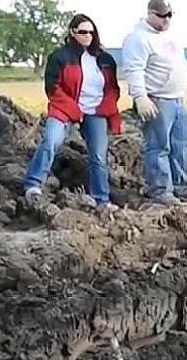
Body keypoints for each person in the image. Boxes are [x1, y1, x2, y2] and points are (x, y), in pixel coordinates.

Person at [23, 13, 123, 213]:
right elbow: (53, 88)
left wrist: (107, 109)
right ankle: (33, 185)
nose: (88, 36)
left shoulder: (105, 59)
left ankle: (102, 199)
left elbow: (113, 89)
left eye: (91, 32)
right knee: (51, 141)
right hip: (65, 108)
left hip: (96, 112)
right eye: (83, 32)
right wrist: (73, 109)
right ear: (72, 33)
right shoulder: (60, 56)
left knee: (99, 156)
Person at [121, 0, 187, 206]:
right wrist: (140, 97)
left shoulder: (170, 37)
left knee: (182, 144)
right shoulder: (138, 39)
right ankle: (161, 190)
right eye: (161, 15)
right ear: (150, 14)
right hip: (157, 100)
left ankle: (182, 186)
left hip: (178, 99)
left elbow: (181, 64)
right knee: (159, 146)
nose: (166, 19)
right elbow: (134, 70)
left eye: (169, 15)